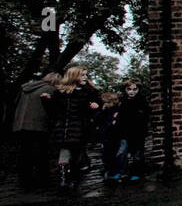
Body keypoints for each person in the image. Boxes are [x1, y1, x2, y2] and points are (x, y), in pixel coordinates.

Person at [41, 65, 102, 193]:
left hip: (80, 128)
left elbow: (96, 107)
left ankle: (73, 179)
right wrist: (46, 101)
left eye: (86, 75)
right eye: (82, 75)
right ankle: (64, 180)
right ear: (74, 76)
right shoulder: (61, 92)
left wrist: (95, 107)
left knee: (76, 155)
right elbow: (53, 111)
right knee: (64, 152)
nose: (85, 77)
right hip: (63, 127)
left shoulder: (89, 91)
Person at [11, 71, 60, 190]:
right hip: (39, 125)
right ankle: (43, 181)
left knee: (24, 154)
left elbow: (14, 104)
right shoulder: (50, 89)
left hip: (21, 125)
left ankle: (24, 182)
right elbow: (53, 109)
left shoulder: (25, 88)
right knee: (41, 154)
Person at [117, 78, 150, 181]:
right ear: (125, 90)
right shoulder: (122, 101)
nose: (132, 91)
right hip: (124, 131)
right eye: (129, 89)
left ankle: (137, 172)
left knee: (137, 154)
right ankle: (122, 172)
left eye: (134, 89)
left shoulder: (142, 101)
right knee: (122, 152)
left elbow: (146, 115)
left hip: (138, 132)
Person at [95, 90, 124, 182]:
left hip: (115, 135)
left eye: (108, 102)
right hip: (105, 136)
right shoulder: (104, 111)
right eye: (105, 103)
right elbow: (97, 119)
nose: (106, 104)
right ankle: (108, 170)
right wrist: (102, 111)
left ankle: (116, 171)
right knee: (106, 154)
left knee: (116, 154)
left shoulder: (117, 110)